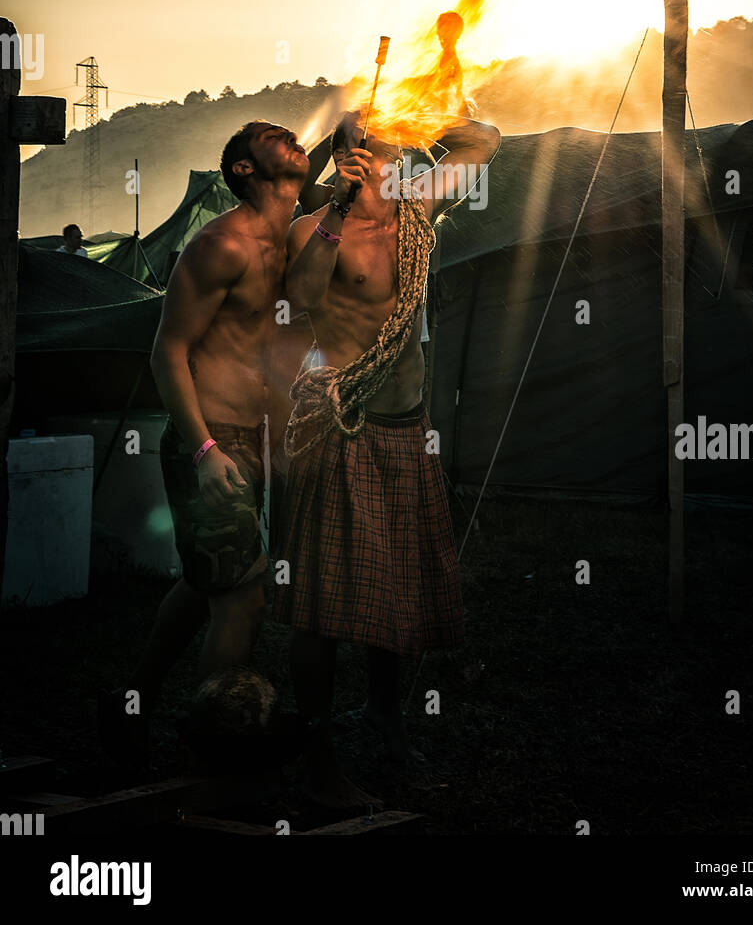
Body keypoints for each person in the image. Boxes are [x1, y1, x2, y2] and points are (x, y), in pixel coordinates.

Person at [275, 109, 500, 807]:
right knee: (322, 600)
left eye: (396, 143)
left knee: (396, 584)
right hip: (343, 426)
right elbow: (300, 298)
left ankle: (384, 713)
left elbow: (484, 141)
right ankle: (313, 744)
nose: (390, 153)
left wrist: (420, 102)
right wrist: (332, 194)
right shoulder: (312, 231)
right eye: (373, 142)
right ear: (347, 157)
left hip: (406, 426)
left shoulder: (417, 211)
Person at [98, 121, 328, 768]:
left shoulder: (288, 234)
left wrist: (347, 134)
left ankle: (130, 702)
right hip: (211, 441)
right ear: (244, 170)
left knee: (206, 583)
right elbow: (166, 349)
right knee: (243, 596)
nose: (289, 139)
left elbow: (330, 192)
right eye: (270, 138)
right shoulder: (220, 245)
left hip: (255, 438)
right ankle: (221, 757)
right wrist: (203, 452)